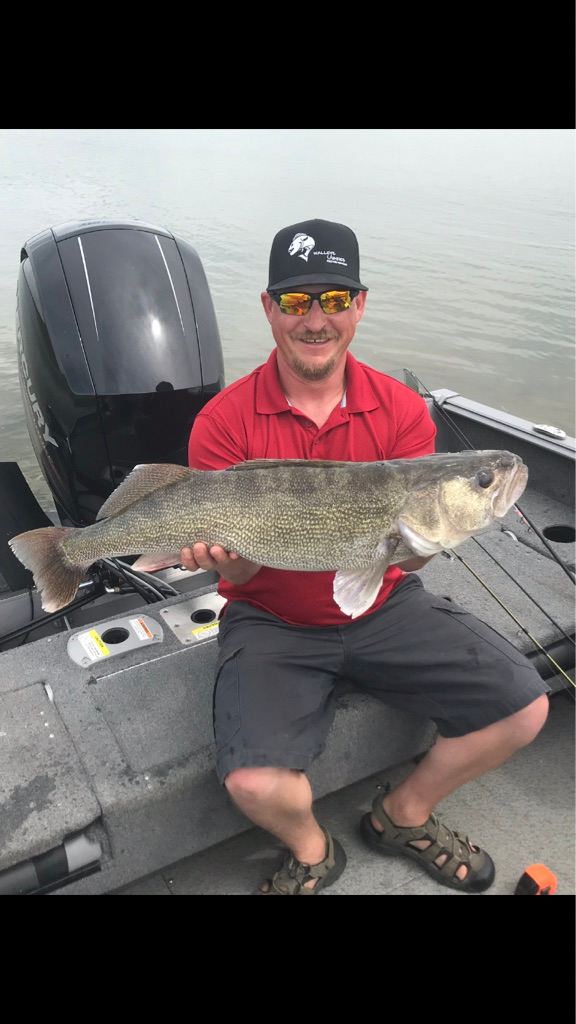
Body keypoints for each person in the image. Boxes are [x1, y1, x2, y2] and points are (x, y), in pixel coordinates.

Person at [180, 218, 551, 895]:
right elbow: (234, 570)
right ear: (268, 309)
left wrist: (420, 544)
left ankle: (402, 815)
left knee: (526, 706)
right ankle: (315, 849)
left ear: (360, 304)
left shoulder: (405, 411)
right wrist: (224, 564)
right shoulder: (222, 423)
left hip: (382, 602)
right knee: (252, 780)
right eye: (295, 303)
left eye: (334, 299)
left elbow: (405, 561)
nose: (315, 320)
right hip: (271, 618)